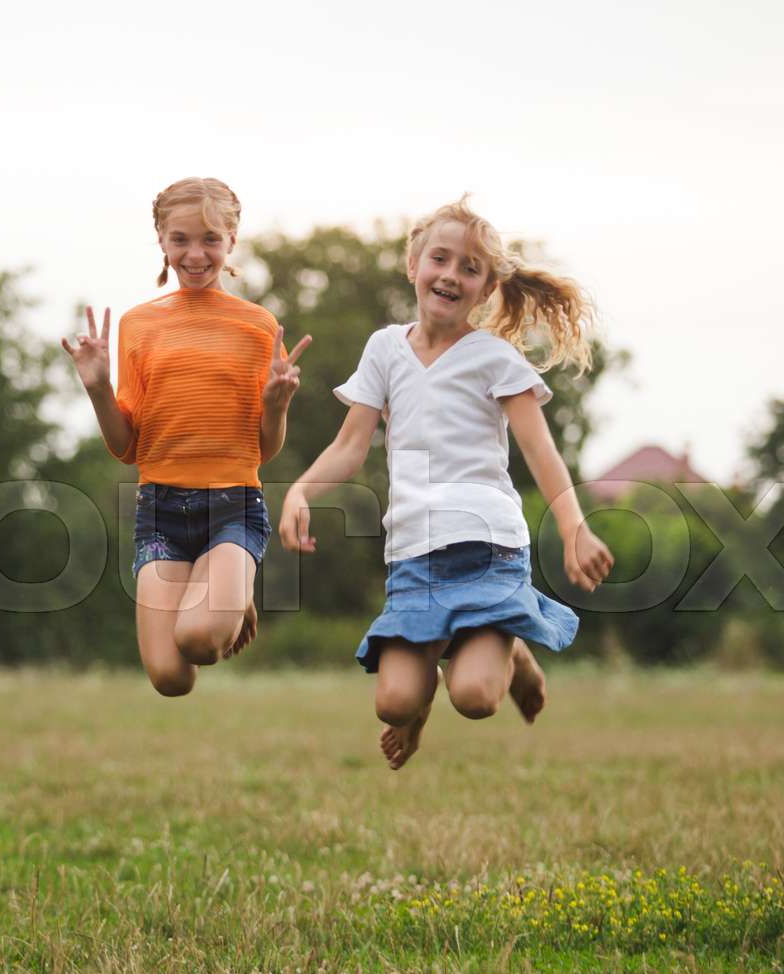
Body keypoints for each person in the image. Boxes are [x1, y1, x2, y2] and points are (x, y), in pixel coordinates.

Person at [279, 197, 613, 769]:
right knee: (394, 702)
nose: (451, 275)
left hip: (489, 549)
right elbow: (351, 445)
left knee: (476, 698)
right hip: (414, 556)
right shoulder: (385, 349)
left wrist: (574, 526)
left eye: (470, 268)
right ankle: (441, 689)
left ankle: (512, 647)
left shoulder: (493, 357)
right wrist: (300, 490)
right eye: (441, 259)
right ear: (413, 263)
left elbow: (539, 449)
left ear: (485, 290)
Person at [62, 178, 309, 696]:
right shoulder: (138, 325)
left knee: (199, 639)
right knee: (171, 678)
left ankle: (232, 591)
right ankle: (228, 592)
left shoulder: (258, 327)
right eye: (181, 240)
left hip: (234, 506)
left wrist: (276, 405)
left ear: (232, 241)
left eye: (210, 240)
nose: (195, 254)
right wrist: (98, 389)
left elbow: (264, 449)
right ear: (161, 241)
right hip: (162, 510)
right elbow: (126, 447)